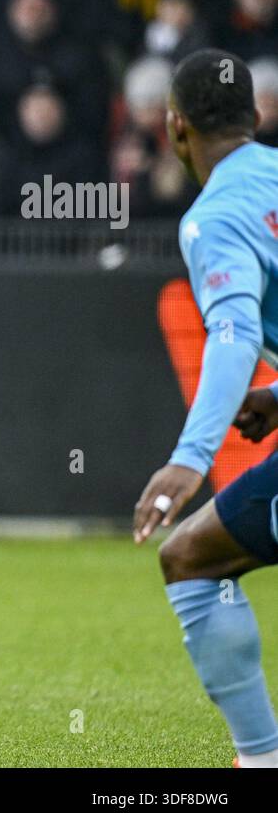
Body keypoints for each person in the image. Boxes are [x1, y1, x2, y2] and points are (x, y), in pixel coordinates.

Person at [132, 48, 278, 768]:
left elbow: (233, 331)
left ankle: (260, 761)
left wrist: (191, 458)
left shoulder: (216, 216)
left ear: (175, 127)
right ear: (257, 117)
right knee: (198, 553)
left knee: (189, 557)